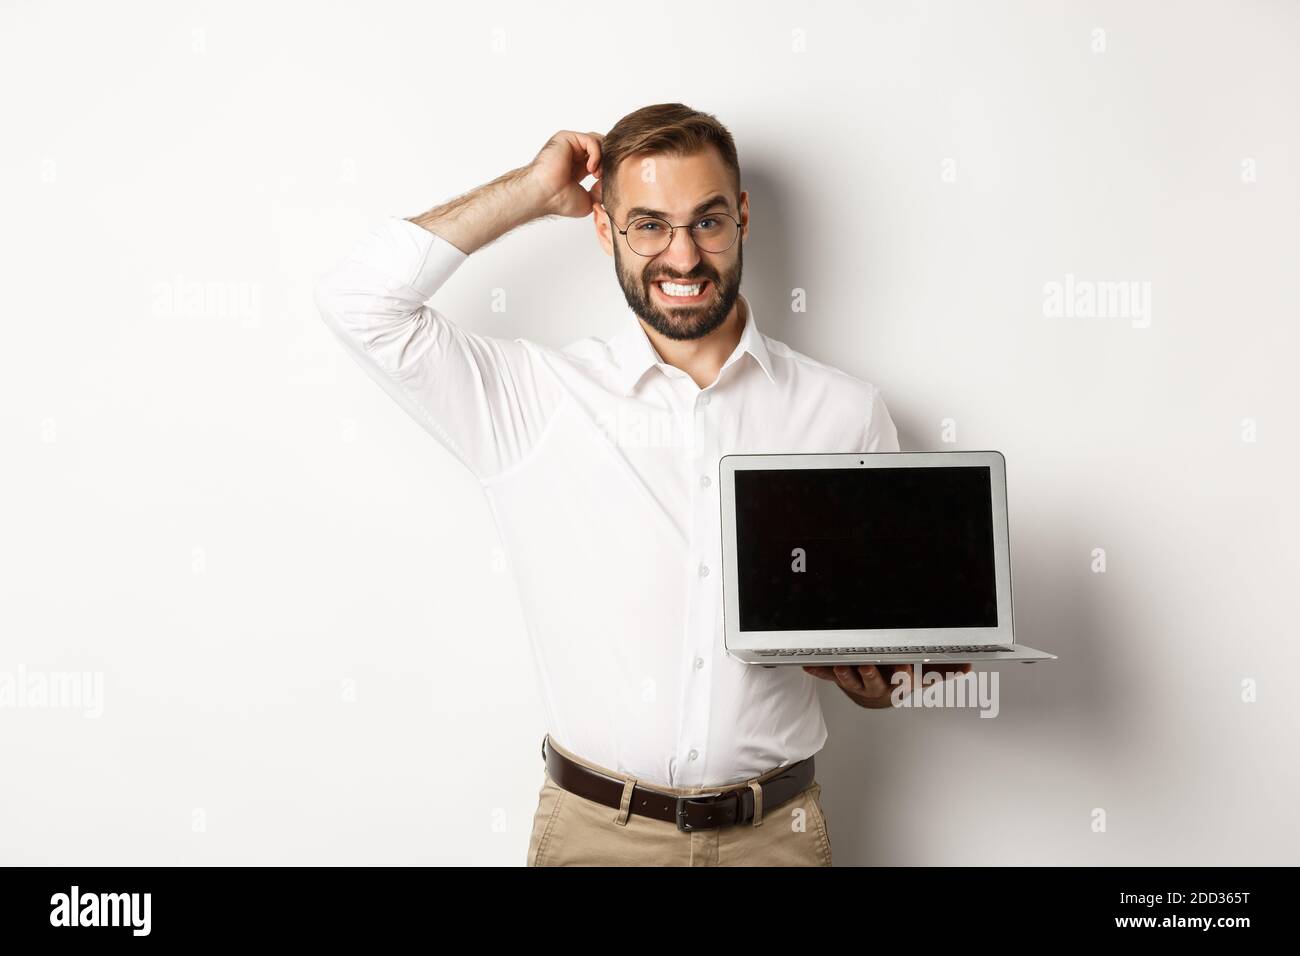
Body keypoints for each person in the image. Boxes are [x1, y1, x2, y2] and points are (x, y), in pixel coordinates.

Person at [314, 103, 968, 866]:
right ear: (604, 229)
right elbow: (358, 303)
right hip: (596, 839)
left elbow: (884, 644)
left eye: (708, 223)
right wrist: (529, 191)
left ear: (743, 218)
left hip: (775, 840)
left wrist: (885, 679)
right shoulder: (536, 399)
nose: (683, 258)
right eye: (649, 225)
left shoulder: (845, 414)